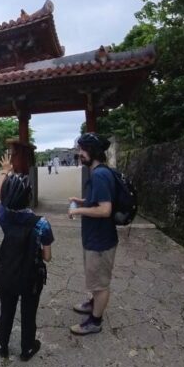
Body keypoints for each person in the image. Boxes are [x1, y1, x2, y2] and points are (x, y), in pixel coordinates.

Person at [0, 152, 54, 361]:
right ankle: (27, 348)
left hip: (8, 271)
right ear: (28, 197)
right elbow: (47, 256)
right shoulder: (42, 223)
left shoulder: (3, 215)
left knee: (6, 309)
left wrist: (5, 171)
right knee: (29, 313)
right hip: (30, 277)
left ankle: (2, 344)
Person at [67, 133, 117, 335]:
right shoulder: (101, 172)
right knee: (95, 278)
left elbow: (105, 209)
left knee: (100, 282)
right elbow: (97, 201)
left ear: (93, 152)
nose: (80, 154)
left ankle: (95, 322)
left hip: (100, 240)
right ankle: (92, 302)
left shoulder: (99, 175)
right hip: (96, 238)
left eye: (83, 150)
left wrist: (77, 211)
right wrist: (81, 201)